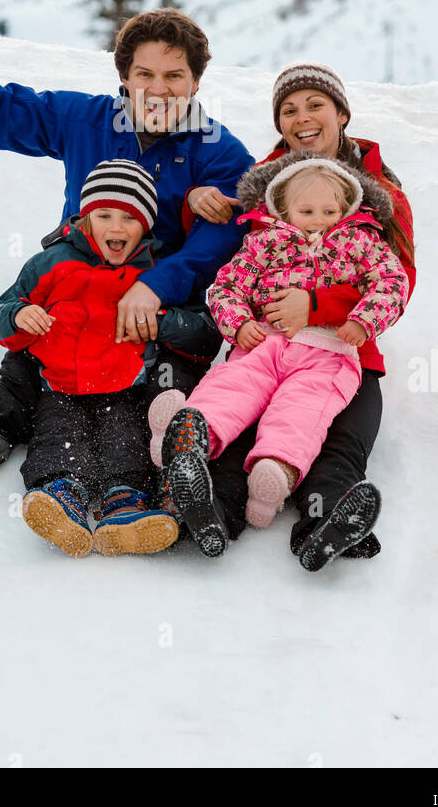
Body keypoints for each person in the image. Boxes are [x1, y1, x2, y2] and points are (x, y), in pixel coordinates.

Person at [0, 10, 254, 523]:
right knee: (18, 380)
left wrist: (153, 287)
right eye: (145, 74)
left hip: (155, 305)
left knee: (155, 390)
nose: (158, 89)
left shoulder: (220, 151)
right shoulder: (92, 120)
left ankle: (161, 487)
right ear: (125, 77)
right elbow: (14, 113)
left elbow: (219, 243)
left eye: (174, 76)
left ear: (195, 81)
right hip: (74, 289)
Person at [0, 162, 222, 556]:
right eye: (104, 215)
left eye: (130, 218)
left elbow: (204, 334)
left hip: (126, 383)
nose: (116, 227)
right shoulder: (53, 262)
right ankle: (49, 498)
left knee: (126, 439)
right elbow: (3, 309)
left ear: (146, 225)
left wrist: (161, 322)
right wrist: (18, 315)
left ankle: (127, 508)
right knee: (54, 437)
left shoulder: (160, 271)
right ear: (85, 218)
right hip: (54, 381)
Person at [177, 62, 417, 571]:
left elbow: (399, 281)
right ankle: (210, 511)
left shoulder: (381, 196)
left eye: (315, 105)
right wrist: (192, 202)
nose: (302, 118)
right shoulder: (266, 187)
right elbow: (224, 256)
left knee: (340, 440)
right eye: (289, 110)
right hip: (265, 345)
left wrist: (319, 307)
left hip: (344, 352)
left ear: (342, 113)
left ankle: (325, 522)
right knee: (240, 424)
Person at [149, 155, 408, 553]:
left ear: (347, 209)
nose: (319, 220)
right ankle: (188, 435)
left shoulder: (360, 240)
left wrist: (363, 320)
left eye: (330, 210)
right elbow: (224, 288)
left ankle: (275, 472)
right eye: (307, 211)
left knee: (300, 414)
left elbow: (393, 281)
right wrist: (237, 324)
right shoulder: (265, 241)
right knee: (232, 386)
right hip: (266, 341)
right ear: (283, 209)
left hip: (327, 351)